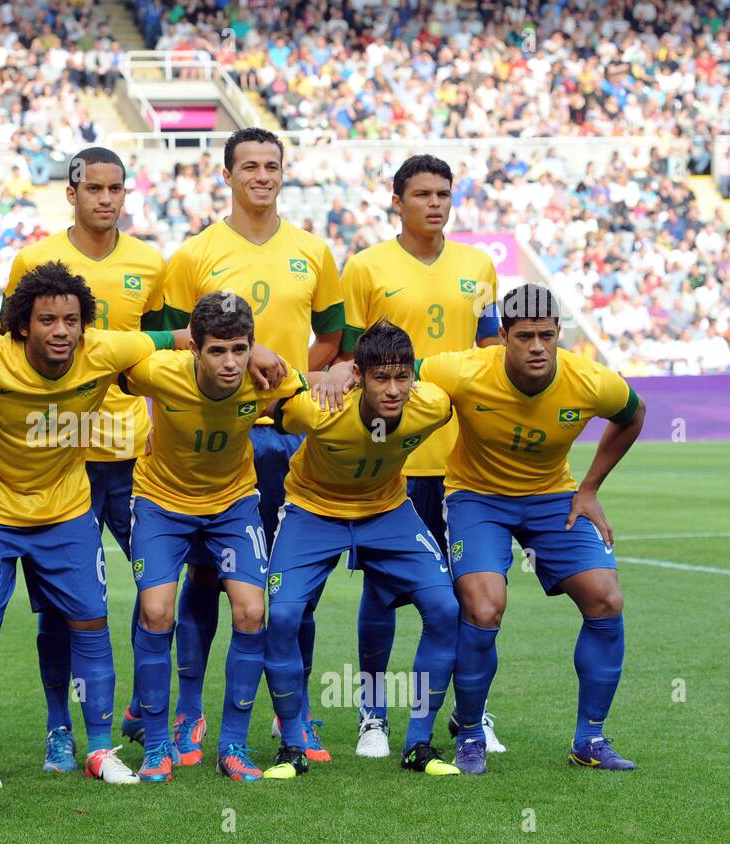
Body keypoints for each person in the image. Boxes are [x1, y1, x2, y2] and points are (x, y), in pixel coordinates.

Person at [0, 261, 288, 788]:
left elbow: (180, 335)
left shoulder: (103, 350)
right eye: (47, 319)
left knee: (91, 623)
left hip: (66, 511)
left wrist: (262, 348)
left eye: (71, 319)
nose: (62, 330)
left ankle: (100, 748)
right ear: (23, 325)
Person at [321, 285, 646, 774]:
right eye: (525, 336)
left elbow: (632, 414)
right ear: (502, 337)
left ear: (559, 334)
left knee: (607, 599)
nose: (537, 346)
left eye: (546, 335)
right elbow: (396, 369)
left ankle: (590, 739)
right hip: (477, 498)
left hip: (552, 497)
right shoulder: (466, 369)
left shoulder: (591, 380)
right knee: (484, 604)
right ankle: (470, 730)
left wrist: (590, 488)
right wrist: (347, 368)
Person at [151, 126, 346, 763]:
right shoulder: (194, 254)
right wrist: (245, 357)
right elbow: (165, 339)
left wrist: (298, 376)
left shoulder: (313, 251)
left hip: (290, 438)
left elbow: (332, 336)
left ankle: (297, 716)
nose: (262, 175)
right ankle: (189, 713)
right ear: (228, 175)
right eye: (250, 166)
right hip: (222, 442)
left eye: (273, 166)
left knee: (291, 589)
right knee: (205, 580)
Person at [339, 153, 505, 758]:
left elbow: (491, 354)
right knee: (382, 593)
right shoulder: (365, 268)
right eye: (423, 194)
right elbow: (349, 361)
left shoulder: (478, 265)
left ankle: (472, 714)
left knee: (471, 592)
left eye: (444, 193)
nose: (435, 203)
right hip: (394, 460)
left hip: (463, 461)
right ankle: (372, 714)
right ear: (397, 200)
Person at [4, 146, 165, 774]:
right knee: (60, 605)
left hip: (131, 456)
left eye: (116, 188)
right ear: (71, 192)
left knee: (156, 587)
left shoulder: (150, 263)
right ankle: (59, 728)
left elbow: (166, 357)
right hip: (60, 458)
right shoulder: (34, 261)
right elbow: (8, 354)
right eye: (93, 188)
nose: (106, 198)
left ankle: (141, 712)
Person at [264, 322, 462, 780]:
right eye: (380, 378)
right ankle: (292, 746)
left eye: (402, 377)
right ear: (359, 375)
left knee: (445, 609)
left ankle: (418, 744)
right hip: (313, 511)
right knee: (284, 616)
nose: (393, 390)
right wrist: (326, 374)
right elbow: (276, 391)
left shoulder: (431, 405)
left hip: (387, 512)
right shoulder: (320, 411)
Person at [119, 292, 303, 782]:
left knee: (251, 610)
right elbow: (110, 357)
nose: (230, 362)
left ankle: (233, 748)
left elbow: (323, 384)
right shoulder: (159, 372)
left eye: (239, 349)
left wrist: (337, 373)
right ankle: (157, 746)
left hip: (232, 504)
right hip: (161, 503)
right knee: (156, 612)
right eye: (217, 350)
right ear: (193, 350)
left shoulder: (268, 379)